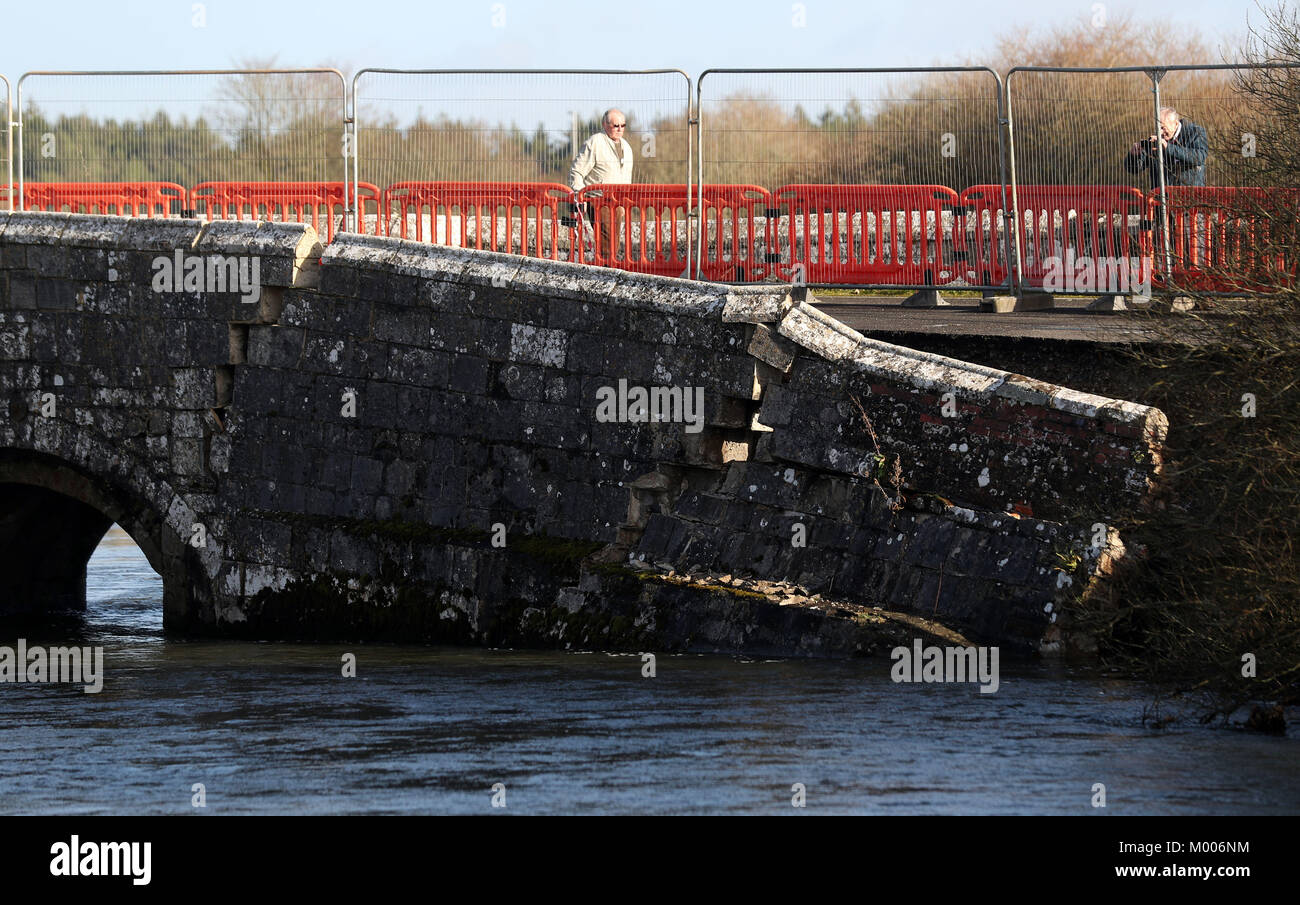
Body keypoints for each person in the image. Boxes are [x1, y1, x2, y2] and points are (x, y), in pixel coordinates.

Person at [567, 108, 634, 259]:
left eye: (623, 125)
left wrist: (624, 204)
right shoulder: (595, 142)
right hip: (599, 200)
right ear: (605, 124)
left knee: (613, 244)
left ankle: (608, 269)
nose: (619, 129)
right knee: (606, 241)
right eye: (615, 125)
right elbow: (576, 171)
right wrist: (579, 196)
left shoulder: (627, 147)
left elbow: (627, 177)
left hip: (618, 203)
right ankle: (606, 271)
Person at [1124, 106, 1208, 187]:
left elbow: (1199, 157)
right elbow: (1133, 169)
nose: (1160, 132)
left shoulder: (1195, 132)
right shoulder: (1156, 140)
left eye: (1163, 128)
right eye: (1158, 128)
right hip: (1162, 196)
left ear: (1175, 124)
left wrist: (1168, 148)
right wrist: (1134, 156)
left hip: (1189, 194)